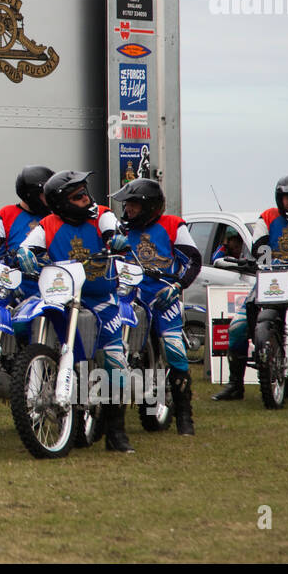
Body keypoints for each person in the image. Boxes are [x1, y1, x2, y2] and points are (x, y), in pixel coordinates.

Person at [18, 170, 134, 453]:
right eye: (77, 196)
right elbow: (25, 247)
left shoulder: (102, 215)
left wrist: (116, 240)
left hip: (101, 299)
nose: (85, 198)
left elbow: (113, 231)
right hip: (63, 297)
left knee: (114, 361)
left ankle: (116, 431)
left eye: (85, 192)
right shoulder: (48, 223)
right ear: (61, 203)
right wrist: (24, 256)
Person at [213, 174, 288, 401]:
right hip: (270, 279)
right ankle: (235, 384)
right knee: (237, 329)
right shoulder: (267, 217)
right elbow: (259, 248)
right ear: (280, 198)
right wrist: (268, 263)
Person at [110, 178, 202, 435]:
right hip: (128, 294)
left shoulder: (173, 225)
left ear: (148, 206)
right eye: (126, 205)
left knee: (174, 348)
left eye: (132, 205)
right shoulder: (121, 229)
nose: (127, 210)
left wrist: (177, 286)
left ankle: (184, 416)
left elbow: (193, 260)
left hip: (162, 294)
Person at [0, 165, 53, 302]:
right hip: (14, 290)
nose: (51, 199)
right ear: (32, 195)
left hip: (54, 289)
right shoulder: (6, 215)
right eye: (45, 194)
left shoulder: (57, 216)